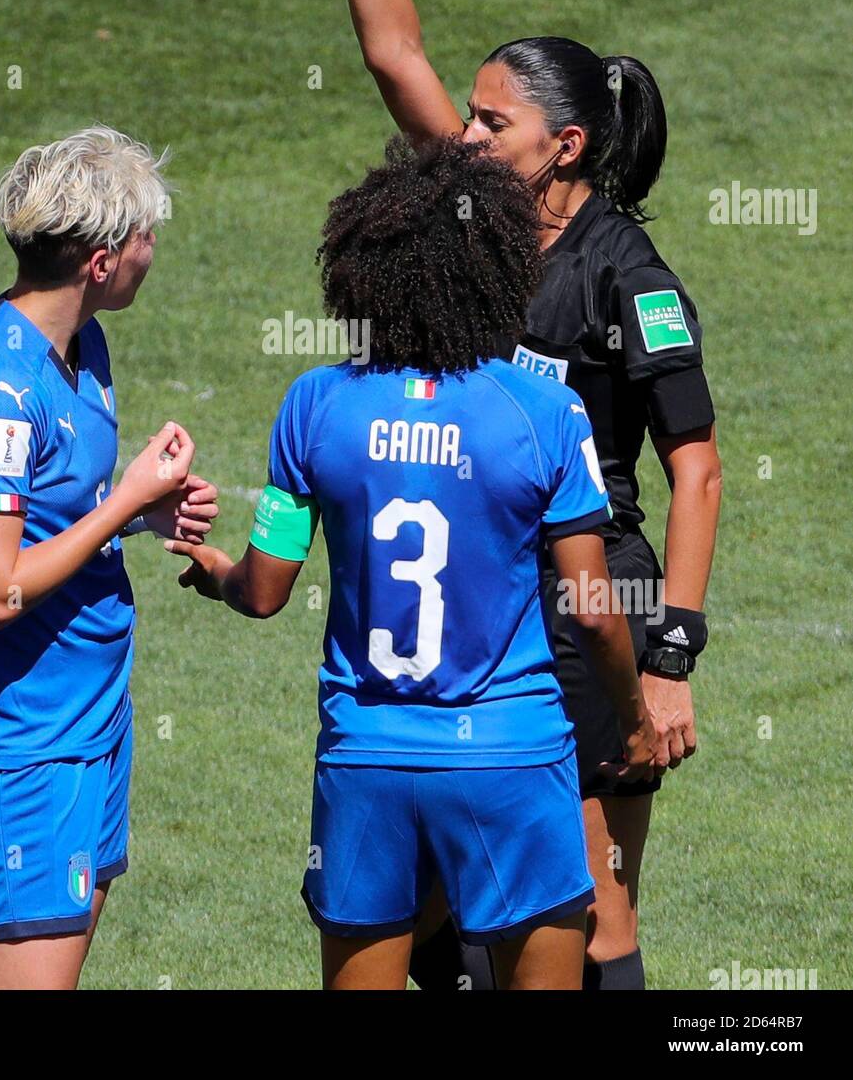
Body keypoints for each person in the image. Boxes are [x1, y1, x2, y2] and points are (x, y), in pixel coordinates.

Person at [311, 0, 723, 991]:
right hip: (494, 580)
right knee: (445, 899)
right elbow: (393, 51)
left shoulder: (628, 281)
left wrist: (671, 656)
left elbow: (692, 465)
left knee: (592, 901)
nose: (468, 134)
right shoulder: (471, 220)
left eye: (493, 121)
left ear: (566, 146)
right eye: (473, 114)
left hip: (602, 590)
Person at [166, 138, 662, 990]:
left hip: (367, 762)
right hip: (512, 757)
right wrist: (631, 717)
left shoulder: (314, 405)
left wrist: (215, 575)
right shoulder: (543, 409)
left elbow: (263, 590)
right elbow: (589, 603)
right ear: (503, 268)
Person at [0, 125, 218, 989]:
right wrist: (125, 499)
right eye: (144, 238)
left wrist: (135, 518)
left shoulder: (83, 348)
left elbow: (47, 518)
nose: (153, 253)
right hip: (21, 747)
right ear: (98, 262)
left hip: (90, 721)